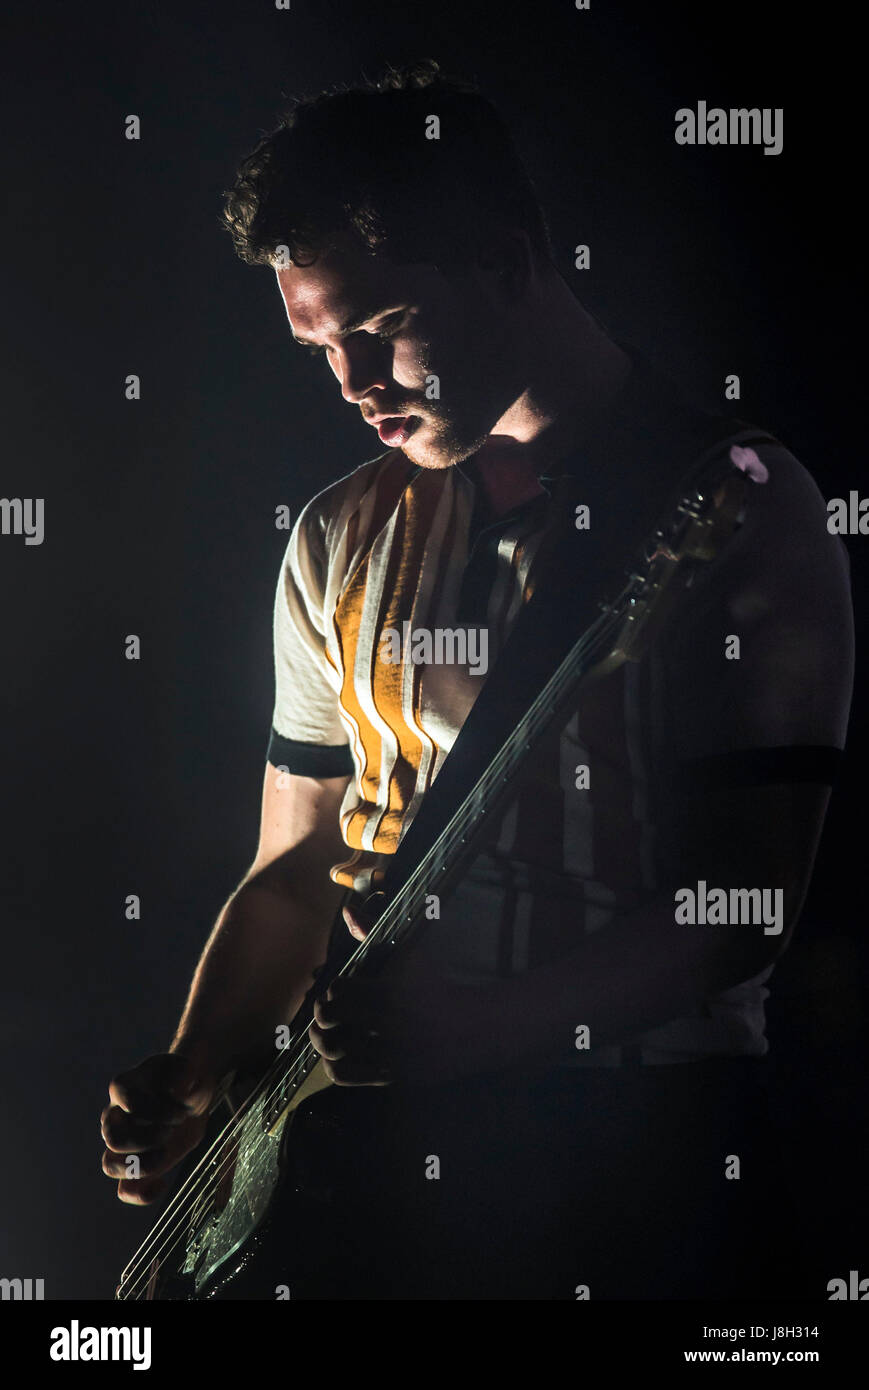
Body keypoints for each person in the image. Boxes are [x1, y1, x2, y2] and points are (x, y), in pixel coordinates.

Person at [100, 61, 854, 1299]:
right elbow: (294, 868)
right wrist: (196, 1062)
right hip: (369, 1162)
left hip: (639, 1160)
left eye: (381, 328)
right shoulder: (337, 535)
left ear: (505, 266)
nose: (351, 384)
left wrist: (491, 1029)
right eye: (317, 344)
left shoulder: (735, 508)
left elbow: (743, 906)